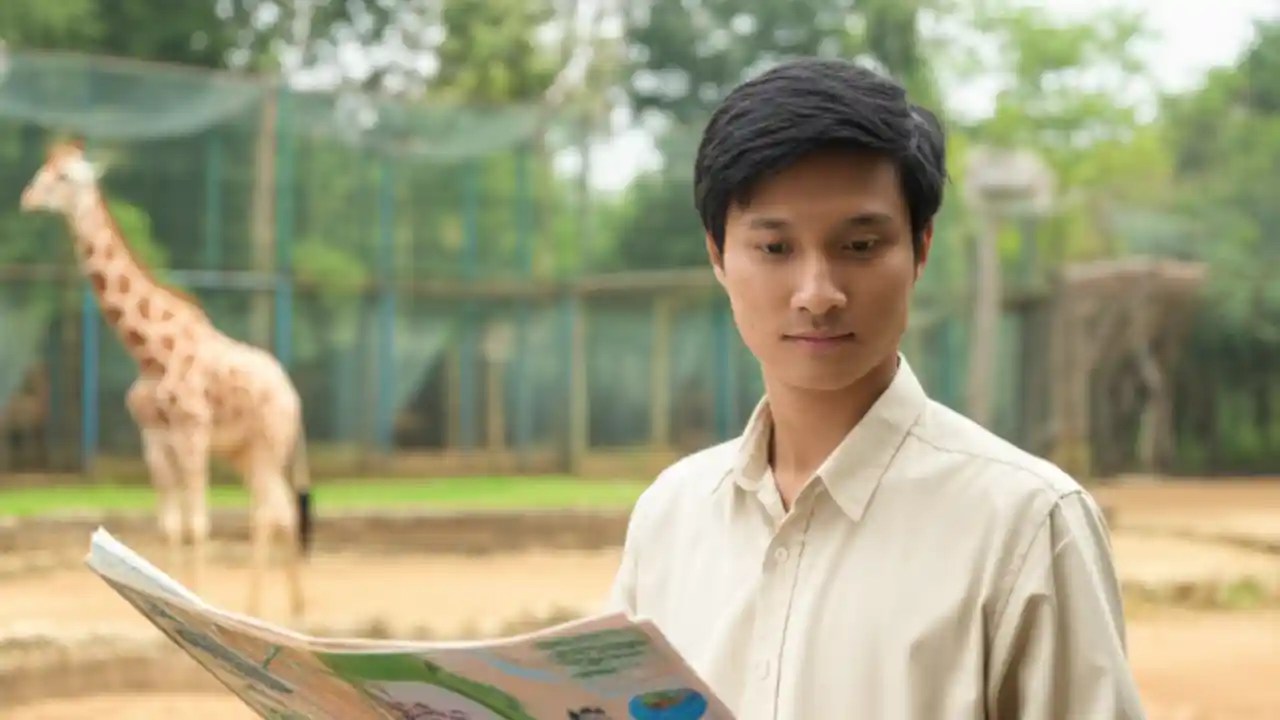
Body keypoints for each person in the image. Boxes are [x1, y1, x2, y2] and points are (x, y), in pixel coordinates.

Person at [605, 57, 1147, 719]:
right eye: (775, 249)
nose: (818, 294)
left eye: (860, 246)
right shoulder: (671, 515)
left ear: (920, 249)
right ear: (718, 255)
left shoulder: (1027, 523)